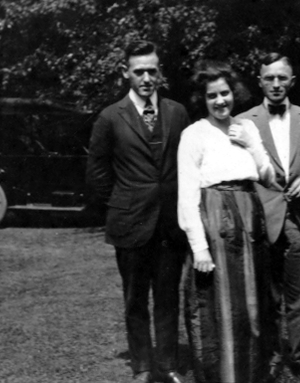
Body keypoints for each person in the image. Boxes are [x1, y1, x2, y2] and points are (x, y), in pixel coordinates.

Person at [86, 38, 189, 383]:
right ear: (125, 73)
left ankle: (169, 365)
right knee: (135, 299)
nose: (146, 78)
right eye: (139, 71)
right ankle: (143, 367)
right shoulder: (109, 117)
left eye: (152, 71)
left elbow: (188, 164)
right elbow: (98, 174)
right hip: (130, 224)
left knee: (168, 296)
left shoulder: (177, 112)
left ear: (160, 72)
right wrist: (123, 204)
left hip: (170, 224)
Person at [177, 60, 275, 383]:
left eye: (225, 93)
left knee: (252, 305)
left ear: (235, 93)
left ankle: (252, 375)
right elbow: (187, 195)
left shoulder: (247, 128)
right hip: (216, 223)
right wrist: (199, 248)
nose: (220, 101)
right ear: (202, 99)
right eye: (212, 95)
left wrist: (251, 144)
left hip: (251, 222)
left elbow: (269, 177)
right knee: (220, 306)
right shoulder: (194, 134)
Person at [237, 53, 300, 383]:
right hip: (262, 222)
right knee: (267, 297)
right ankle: (271, 357)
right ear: (260, 81)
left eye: (282, 78)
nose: (276, 84)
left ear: (292, 81)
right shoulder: (243, 122)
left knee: (299, 298)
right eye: (269, 78)